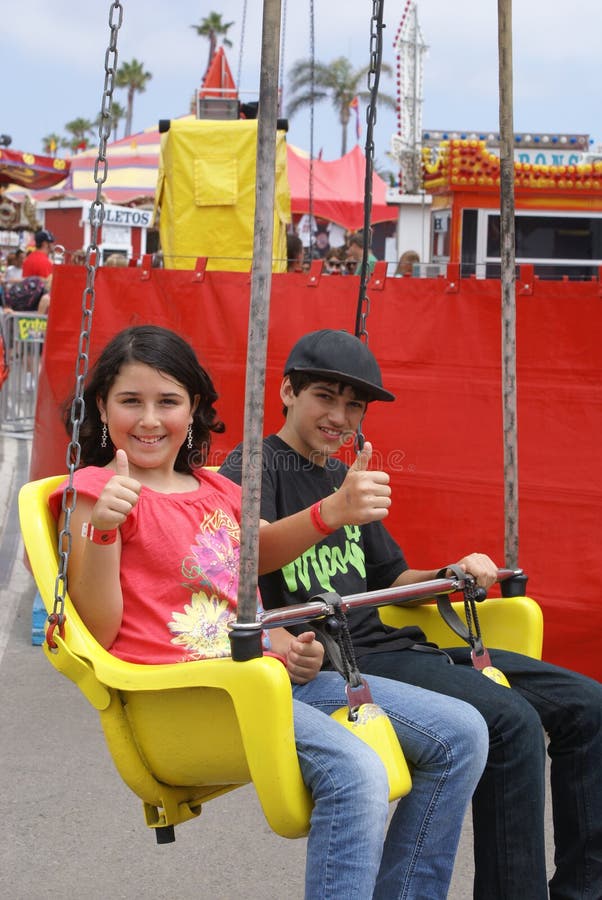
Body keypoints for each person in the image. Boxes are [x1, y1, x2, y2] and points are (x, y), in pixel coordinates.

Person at [49, 324, 489, 900]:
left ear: (195, 410)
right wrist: (103, 532)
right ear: (102, 406)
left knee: (463, 734)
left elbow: (255, 566)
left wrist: (286, 638)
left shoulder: (217, 489)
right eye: (131, 401)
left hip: (264, 680)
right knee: (359, 771)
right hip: (191, 695)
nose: (150, 420)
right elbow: (99, 629)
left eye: (168, 402)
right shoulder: (96, 492)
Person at [220, 328, 602, 900]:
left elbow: (392, 582)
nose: (341, 417)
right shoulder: (252, 464)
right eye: (326, 396)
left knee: (587, 706)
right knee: (512, 722)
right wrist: (331, 512)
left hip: (398, 646)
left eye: (354, 406)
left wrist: (451, 573)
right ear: (287, 391)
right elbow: (248, 551)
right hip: (337, 664)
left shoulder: (340, 477)